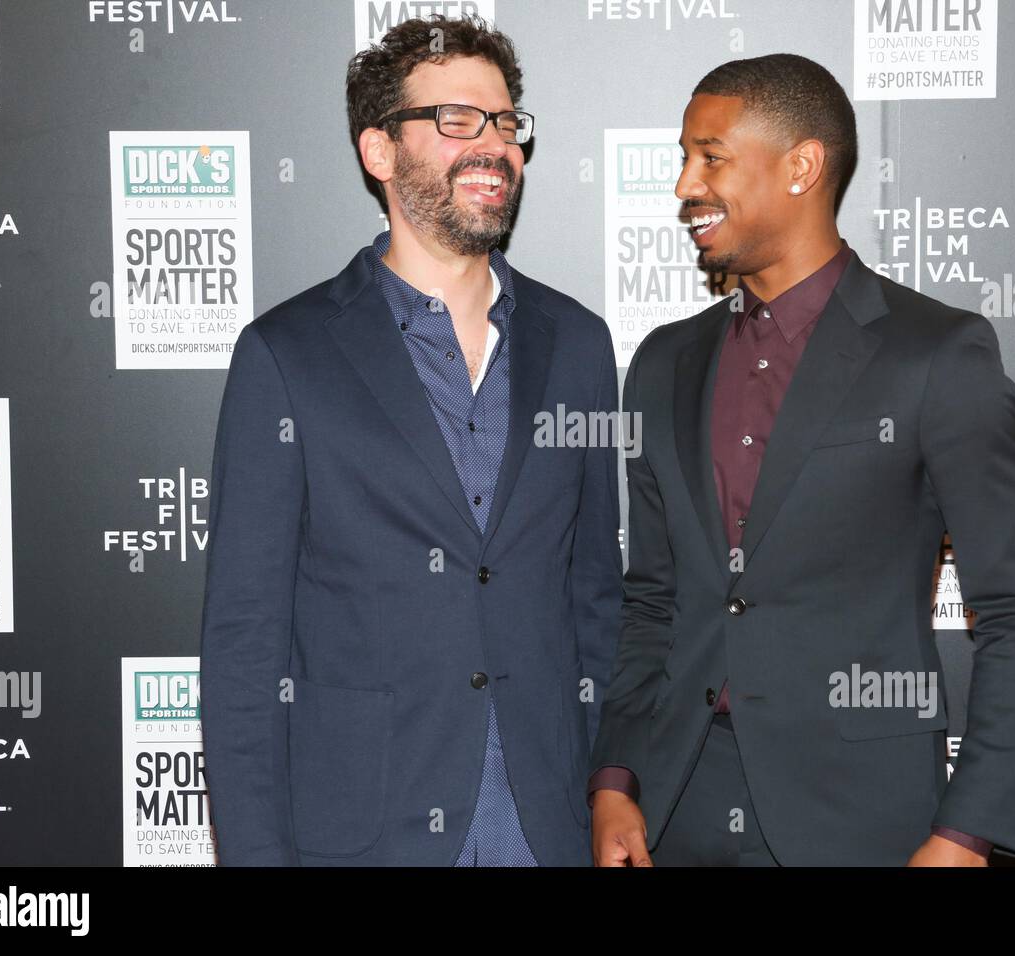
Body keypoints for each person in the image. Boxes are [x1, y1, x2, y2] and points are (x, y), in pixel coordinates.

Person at [588, 53, 1015, 867]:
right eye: (682, 158)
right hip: (677, 808)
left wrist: (966, 834)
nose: (683, 186)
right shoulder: (665, 363)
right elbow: (654, 600)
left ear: (802, 166)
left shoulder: (938, 354)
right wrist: (615, 775)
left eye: (710, 157)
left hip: (867, 820)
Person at [200, 14, 621, 866]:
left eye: (506, 124)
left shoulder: (578, 344)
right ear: (380, 152)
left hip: (544, 826)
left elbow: (596, 603)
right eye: (458, 120)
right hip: (367, 829)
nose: (494, 146)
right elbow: (245, 645)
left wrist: (609, 790)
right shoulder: (288, 354)